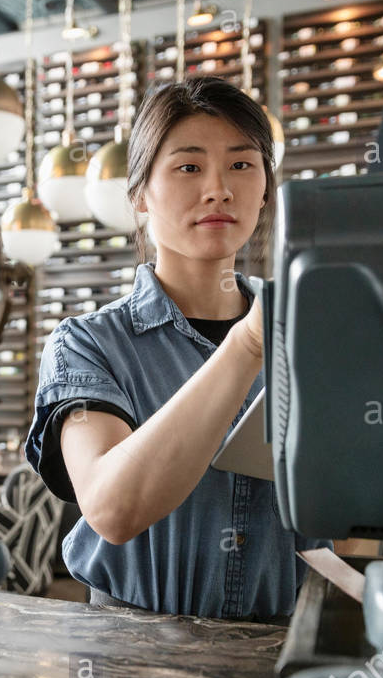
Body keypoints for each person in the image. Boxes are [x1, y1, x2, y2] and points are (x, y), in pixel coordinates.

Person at [24, 76, 330, 622]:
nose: (219, 189)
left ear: (265, 187)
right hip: (135, 659)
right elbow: (113, 509)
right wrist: (249, 344)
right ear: (139, 194)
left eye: (242, 165)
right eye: (189, 167)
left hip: (285, 651)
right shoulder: (88, 344)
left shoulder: (313, 327)